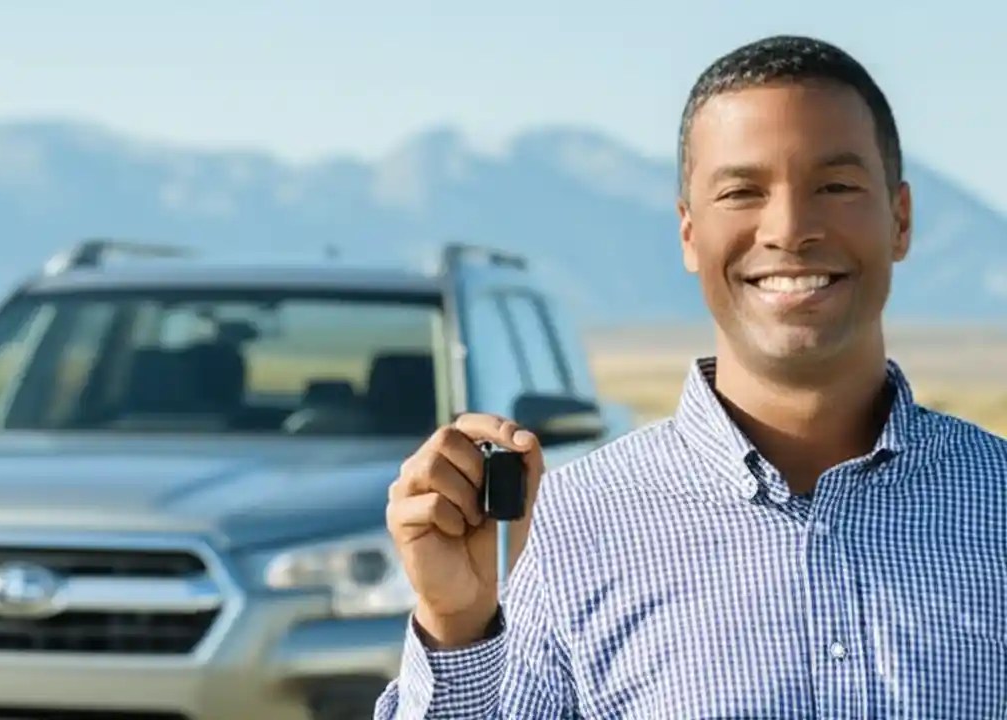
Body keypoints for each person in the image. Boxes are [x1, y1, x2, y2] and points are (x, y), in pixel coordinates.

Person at [374, 34, 1007, 718]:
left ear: (901, 220)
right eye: (741, 191)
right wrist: (458, 626)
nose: (790, 228)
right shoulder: (563, 531)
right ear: (688, 233)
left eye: (836, 186)